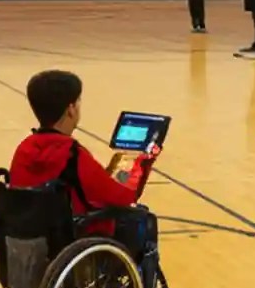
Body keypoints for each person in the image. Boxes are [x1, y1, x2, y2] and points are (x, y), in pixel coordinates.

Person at [9, 70, 158, 235]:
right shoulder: (71, 155)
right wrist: (141, 165)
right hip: (73, 239)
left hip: (30, 241)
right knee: (141, 218)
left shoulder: (24, 148)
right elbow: (122, 197)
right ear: (71, 109)